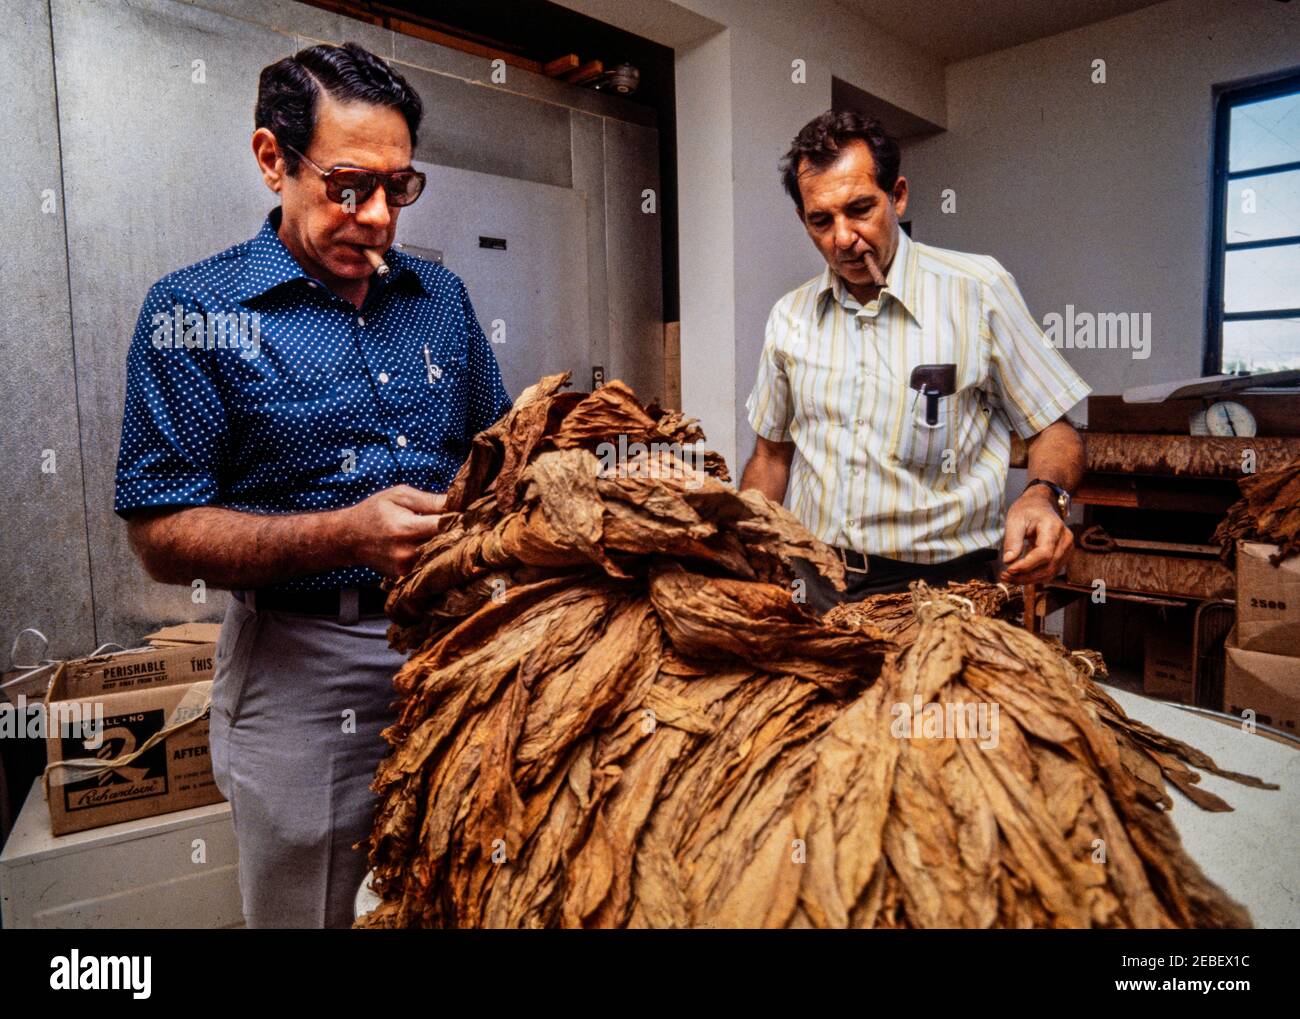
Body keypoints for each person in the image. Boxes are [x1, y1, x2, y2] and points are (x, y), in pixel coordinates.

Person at [113, 42, 511, 928]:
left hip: (458, 647)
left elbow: (499, 451)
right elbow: (160, 533)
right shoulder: (195, 315)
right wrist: (343, 534)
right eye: (347, 185)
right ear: (272, 162)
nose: (375, 216)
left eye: (398, 189)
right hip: (302, 672)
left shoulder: (439, 296)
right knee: (315, 910)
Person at [741, 111, 1089, 613]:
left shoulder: (977, 290)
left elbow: (1053, 431)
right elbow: (771, 457)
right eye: (822, 220)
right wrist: (743, 543)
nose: (842, 238)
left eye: (860, 209)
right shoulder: (789, 317)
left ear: (897, 196)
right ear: (804, 220)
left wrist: (1042, 495)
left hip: (944, 593)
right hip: (813, 586)